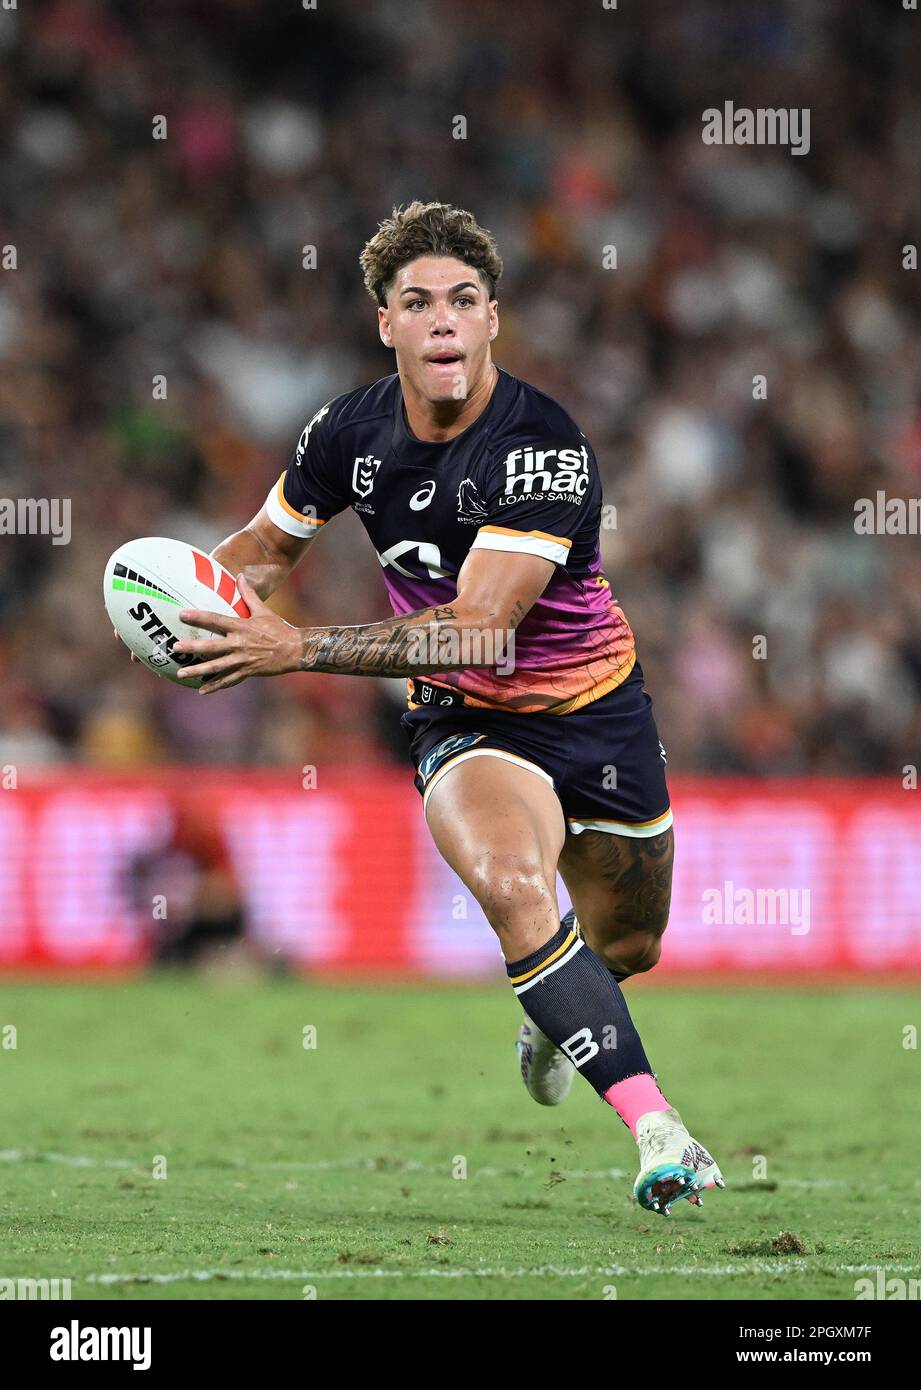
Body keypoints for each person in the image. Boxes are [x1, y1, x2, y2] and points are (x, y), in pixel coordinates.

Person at [170, 200, 724, 1215]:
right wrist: (189, 604)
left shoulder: (542, 445)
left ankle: (557, 1012)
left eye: (463, 301)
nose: (442, 321)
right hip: (466, 723)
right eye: (418, 302)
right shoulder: (345, 430)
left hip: (596, 713)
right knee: (515, 884)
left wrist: (294, 649)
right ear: (386, 322)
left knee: (630, 945)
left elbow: (480, 630)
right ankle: (659, 1130)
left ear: (491, 320)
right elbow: (262, 552)